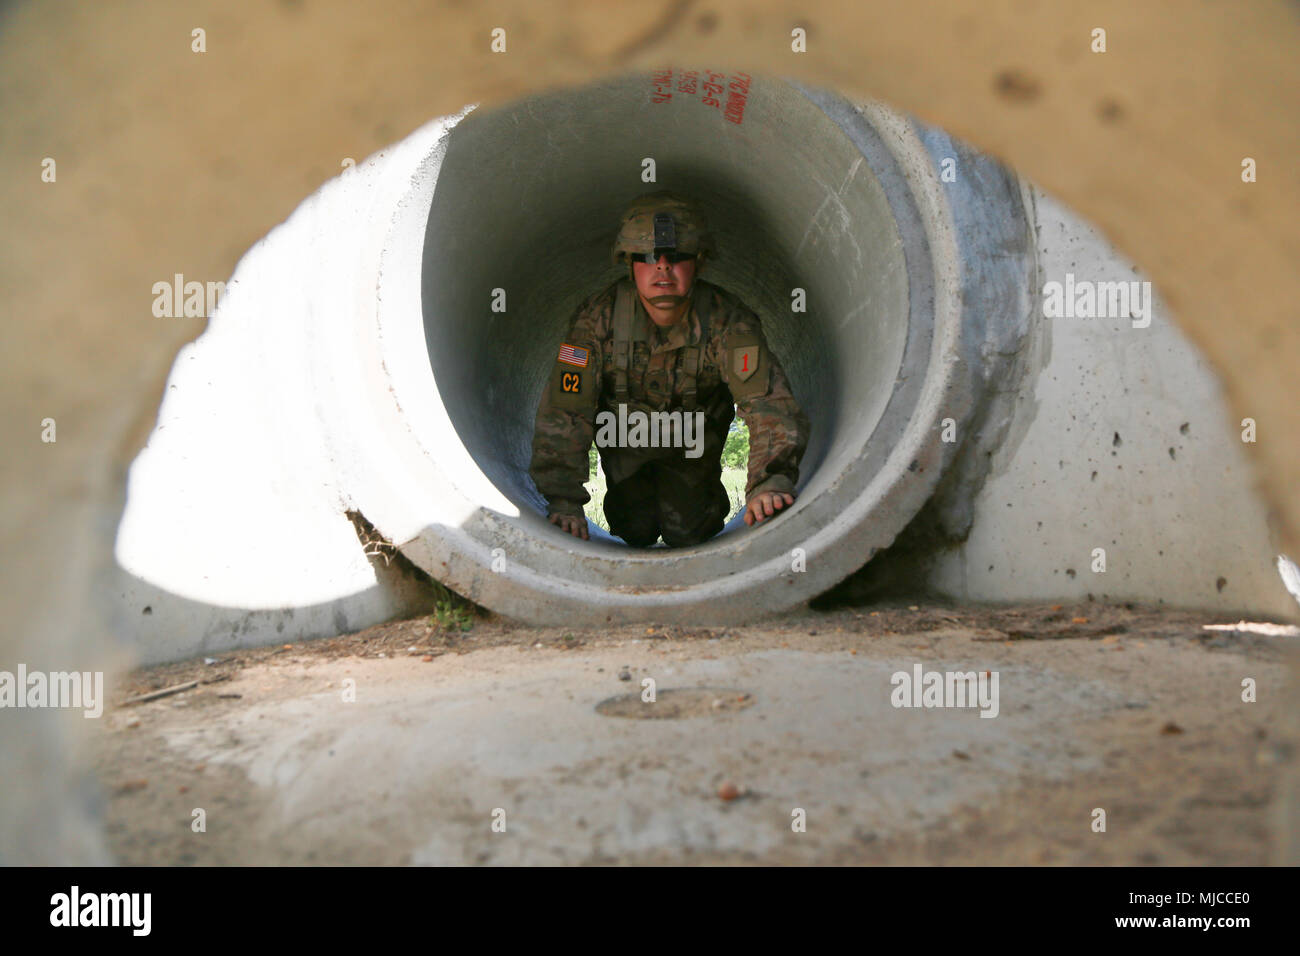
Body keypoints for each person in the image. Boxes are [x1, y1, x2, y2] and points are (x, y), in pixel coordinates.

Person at [529, 191, 810, 547]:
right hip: (624, 439)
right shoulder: (596, 321)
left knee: (689, 532)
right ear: (629, 263)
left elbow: (766, 401)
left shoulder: (727, 321)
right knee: (635, 529)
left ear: (700, 261)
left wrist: (768, 481)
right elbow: (566, 411)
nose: (663, 267)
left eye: (677, 256)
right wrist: (563, 500)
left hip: (692, 445)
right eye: (648, 257)